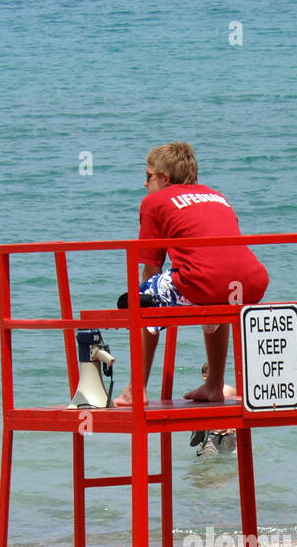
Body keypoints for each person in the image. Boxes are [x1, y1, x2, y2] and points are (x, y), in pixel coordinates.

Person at [114, 142, 269, 406]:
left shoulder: (154, 202)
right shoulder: (216, 195)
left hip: (206, 280)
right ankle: (214, 385)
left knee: (145, 297)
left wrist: (147, 304)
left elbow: (152, 267)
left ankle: (135, 389)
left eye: (148, 176)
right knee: (214, 297)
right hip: (250, 283)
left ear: (165, 178)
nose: (144, 183)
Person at [189, 363, 237, 457]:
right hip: (211, 436)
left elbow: (238, 413)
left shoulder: (231, 391)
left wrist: (232, 426)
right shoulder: (199, 395)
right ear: (204, 376)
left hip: (229, 436)